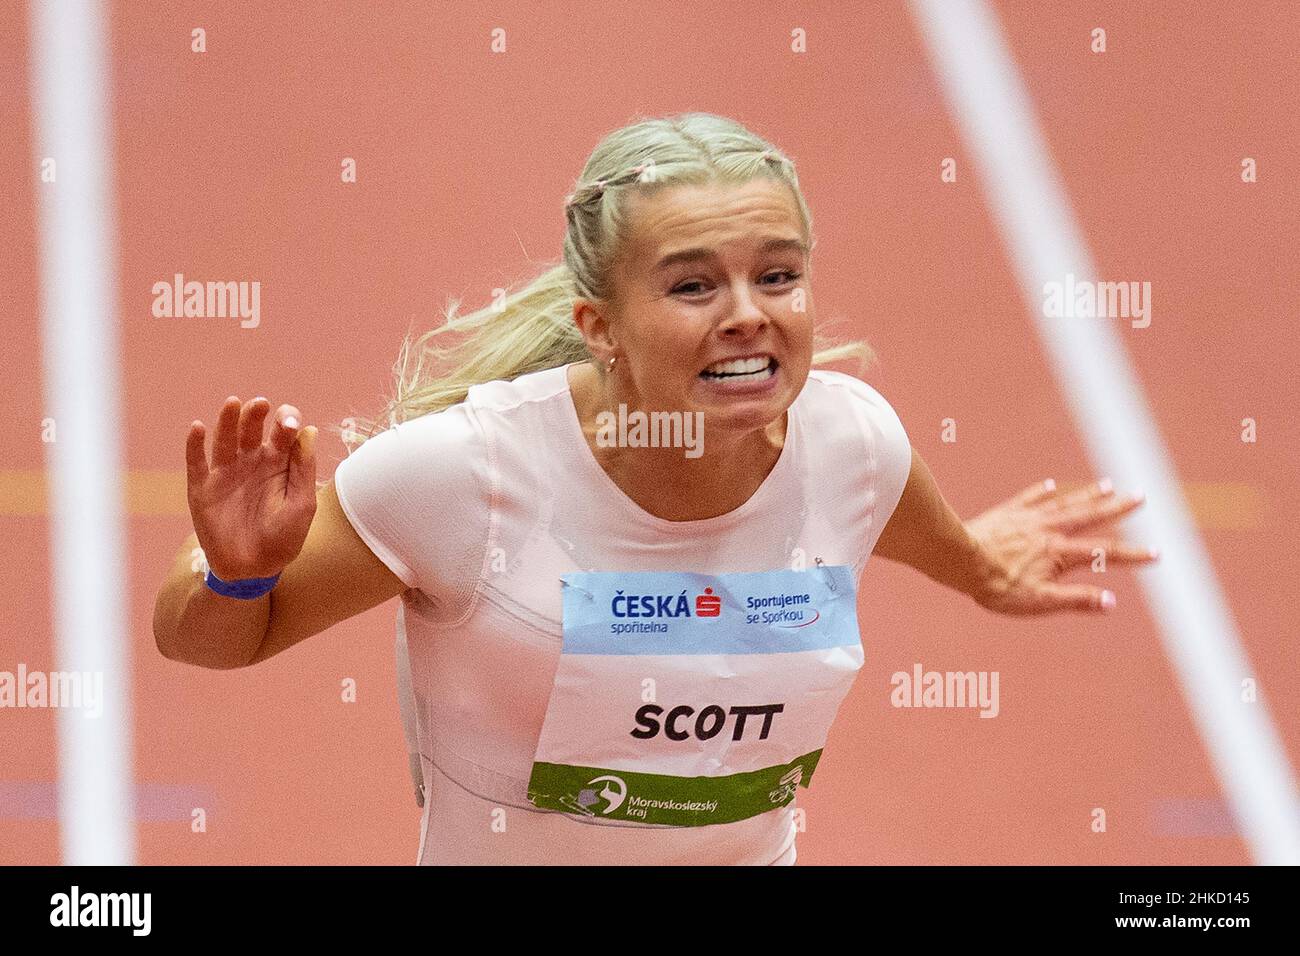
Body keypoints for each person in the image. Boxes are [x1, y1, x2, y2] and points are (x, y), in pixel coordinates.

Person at [153, 113, 1157, 865]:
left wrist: (985, 566)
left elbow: (955, 550)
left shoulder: (854, 448)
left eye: (778, 275)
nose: (747, 315)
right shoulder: (465, 475)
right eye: (691, 285)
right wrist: (237, 575)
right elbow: (209, 640)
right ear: (599, 323)